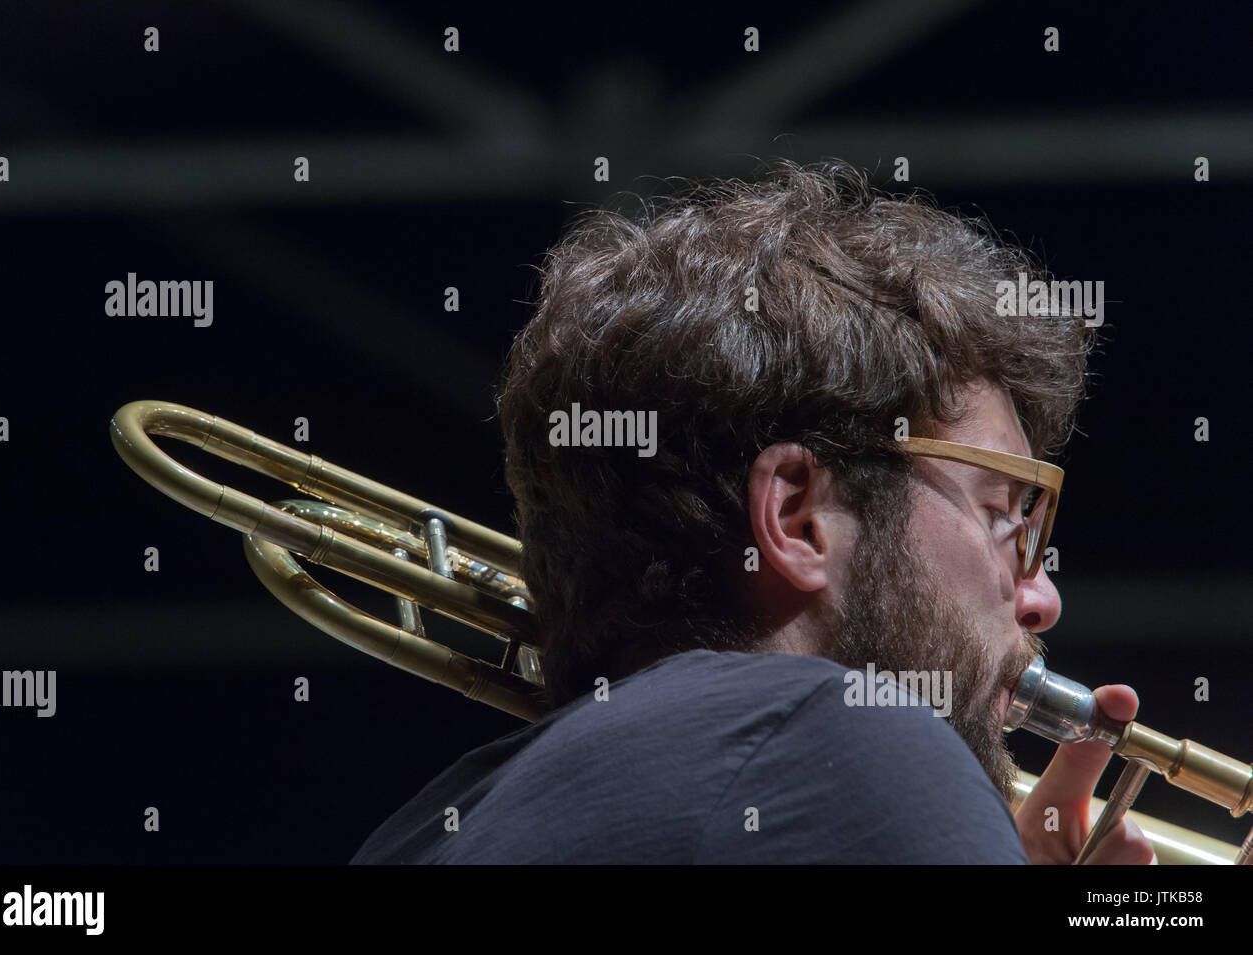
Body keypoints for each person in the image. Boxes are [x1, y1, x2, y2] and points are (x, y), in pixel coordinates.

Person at [352, 159, 1156, 864]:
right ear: (802, 517)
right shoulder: (845, 739)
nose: (1041, 596)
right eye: (1002, 515)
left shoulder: (417, 829)